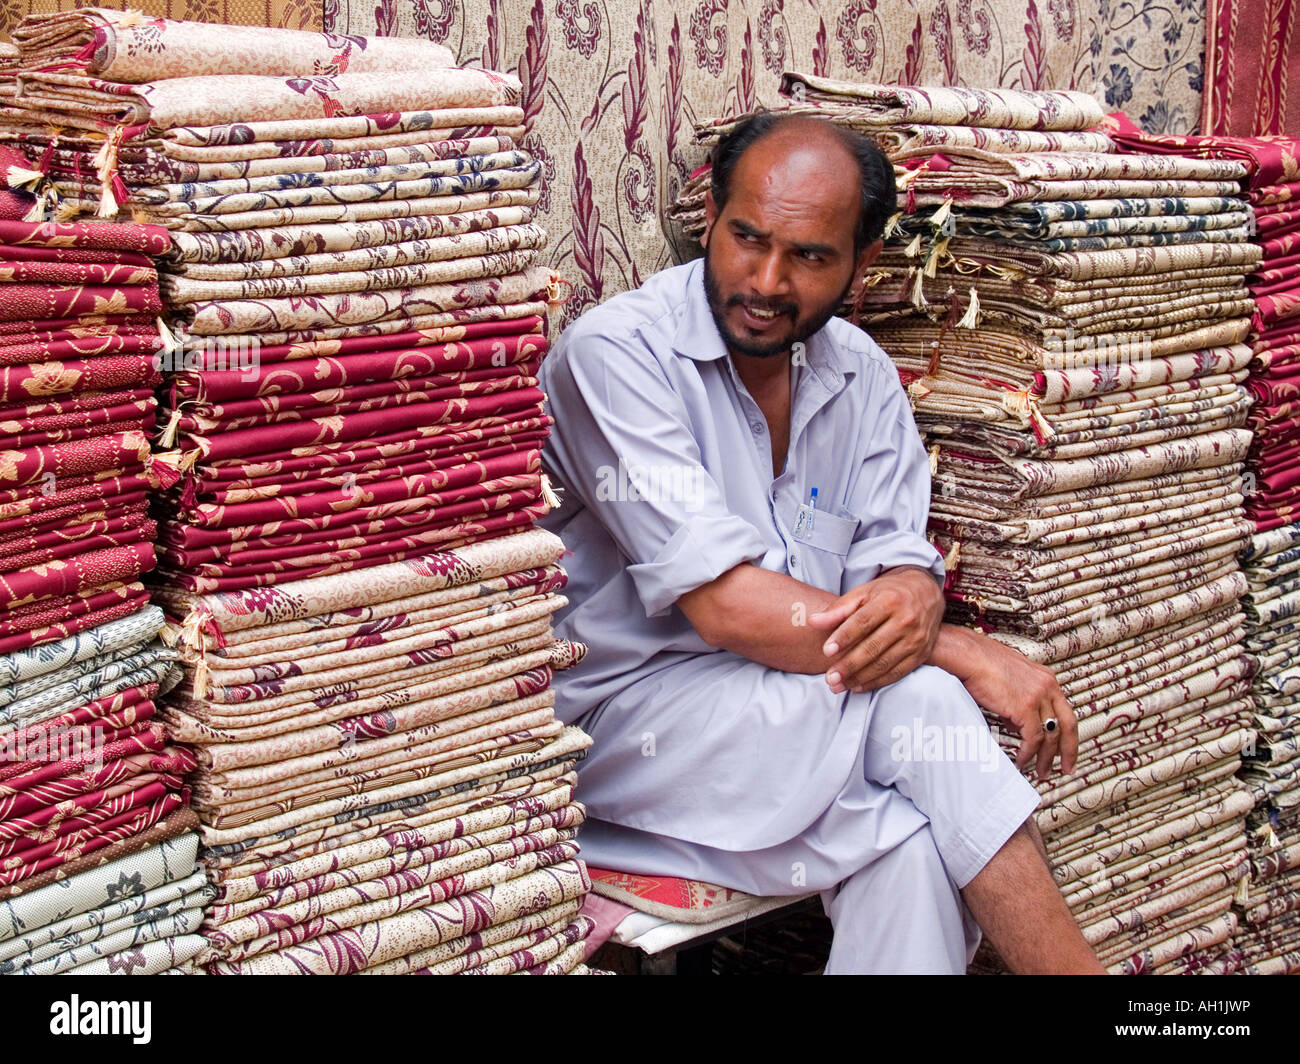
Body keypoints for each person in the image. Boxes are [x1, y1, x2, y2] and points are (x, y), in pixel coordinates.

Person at [536, 113, 1104, 974]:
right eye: (747, 238)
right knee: (920, 702)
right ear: (714, 218)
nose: (764, 280)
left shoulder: (861, 377)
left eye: (809, 256)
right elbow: (727, 606)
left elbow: (898, 565)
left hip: (797, 718)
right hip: (628, 735)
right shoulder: (616, 356)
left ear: (861, 264)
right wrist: (958, 650)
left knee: (914, 846)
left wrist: (918, 596)